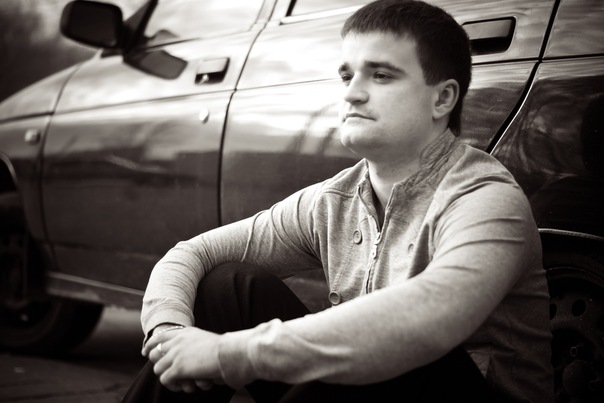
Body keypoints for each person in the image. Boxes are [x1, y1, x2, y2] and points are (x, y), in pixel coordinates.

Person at [122, 0, 554, 402]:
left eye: (380, 75)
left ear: (442, 98)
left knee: (388, 340)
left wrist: (226, 354)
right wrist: (169, 337)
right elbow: (192, 253)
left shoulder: (485, 198)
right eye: (348, 76)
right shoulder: (334, 200)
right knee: (226, 286)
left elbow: (431, 320)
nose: (351, 94)